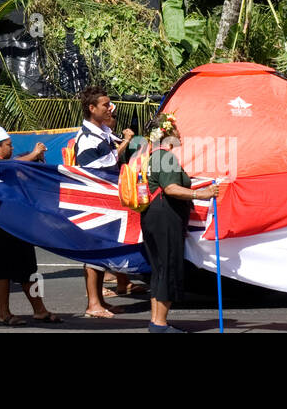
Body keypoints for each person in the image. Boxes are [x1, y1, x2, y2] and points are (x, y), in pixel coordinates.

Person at [139, 114, 220, 332]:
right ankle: (160, 323)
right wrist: (202, 194)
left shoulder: (151, 156)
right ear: (167, 133)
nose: (180, 133)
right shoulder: (165, 157)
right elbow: (170, 188)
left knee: (160, 268)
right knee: (168, 266)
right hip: (165, 216)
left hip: (152, 216)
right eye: (176, 129)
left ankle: (157, 322)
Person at [0, 125, 59, 326]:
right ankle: (4, 313)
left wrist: (35, 160)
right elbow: (12, 167)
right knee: (4, 266)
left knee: (29, 267)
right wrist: (33, 154)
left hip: (16, 221)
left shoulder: (6, 163)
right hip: (0, 223)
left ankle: (39, 309)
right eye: (8, 145)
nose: (11, 148)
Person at [73, 86, 136, 317]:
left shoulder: (102, 132)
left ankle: (100, 300)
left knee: (103, 251)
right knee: (94, 252)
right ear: (92, 108)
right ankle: (93, 305)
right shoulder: (88, 138)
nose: (110, 108)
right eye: (105, 105)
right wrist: (126, 142)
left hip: (108, 200)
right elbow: (103, 167)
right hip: (95, 200)